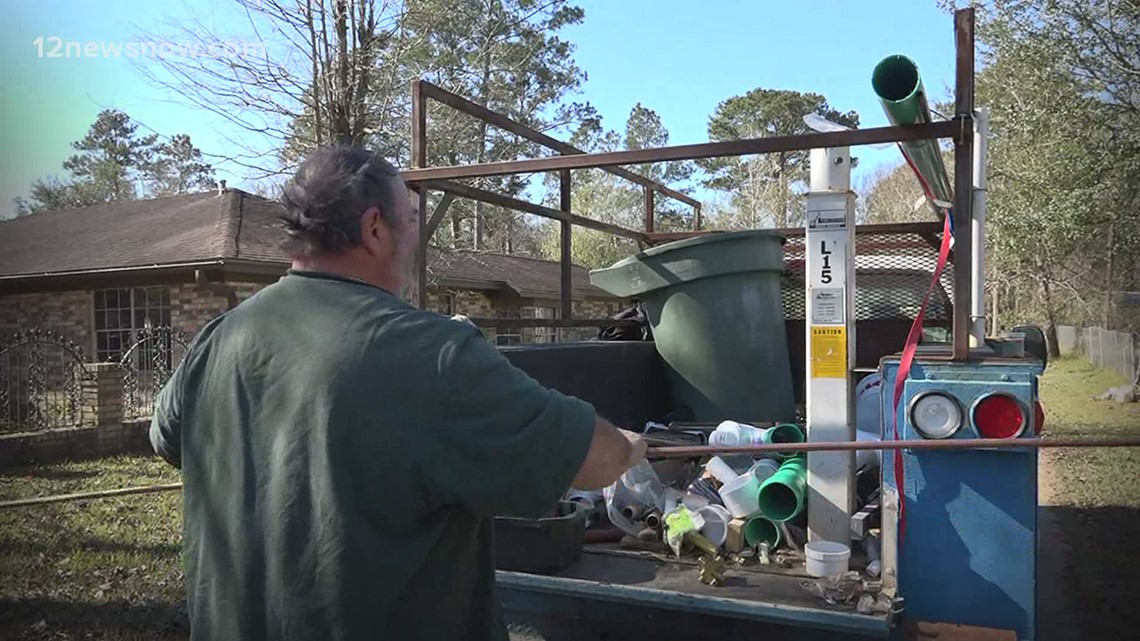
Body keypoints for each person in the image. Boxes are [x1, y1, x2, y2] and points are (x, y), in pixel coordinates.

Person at [149, 145, 647, 641]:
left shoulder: (216, 340)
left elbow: (166, 437)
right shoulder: (431, 354)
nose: (414, 237)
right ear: (374, 228)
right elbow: (592, 461)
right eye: (409, 220)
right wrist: (629, 446)